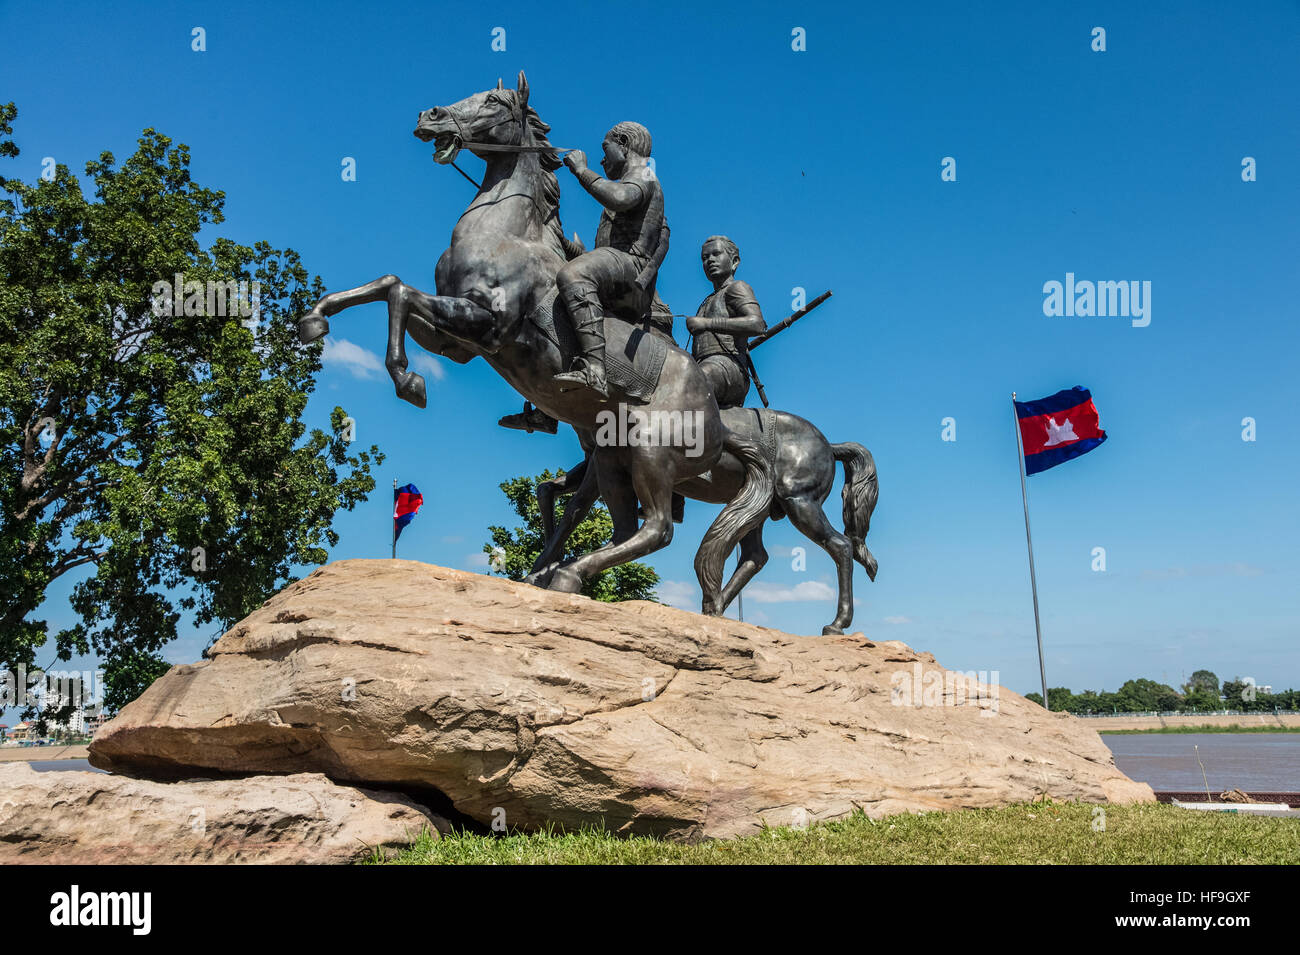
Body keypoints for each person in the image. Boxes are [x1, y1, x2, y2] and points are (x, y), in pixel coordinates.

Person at [551, 121, 667, 397]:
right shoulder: (636, 178)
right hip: (619, 269)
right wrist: (565, 243)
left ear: (624, 144)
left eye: (606, 148)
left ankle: (595, 371)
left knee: (572, 276)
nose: (602, 158)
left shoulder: (645, 173)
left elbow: (621, 197)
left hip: (632, 271)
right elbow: (600, 259)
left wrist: (581, 170)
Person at [686, 235, 765, 409]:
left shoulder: (737, 288)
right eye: (705, 258)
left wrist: (707, 324)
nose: (710, 260)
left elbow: (758, 324)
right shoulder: (707, 301)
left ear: (734, 261)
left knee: (696, 379)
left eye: (716, 254)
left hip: (729, 368)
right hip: (705, 365)